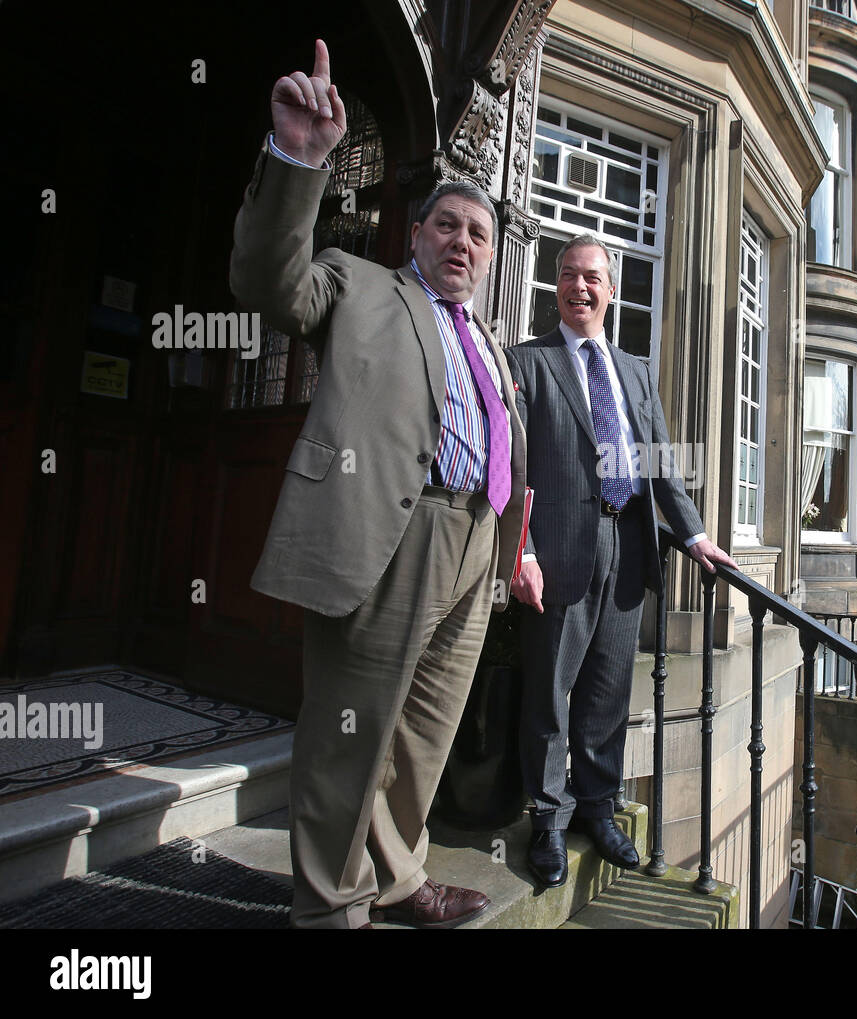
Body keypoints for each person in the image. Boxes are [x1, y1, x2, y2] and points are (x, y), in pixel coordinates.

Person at [230, 41, 526, 929]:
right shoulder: (360, 286)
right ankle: (327, 906)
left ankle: (396, 878)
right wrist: (299, 160)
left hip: (477, 543)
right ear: (416, 234)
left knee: (423, 733)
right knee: (349, 732)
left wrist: (512, 548)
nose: (462, 242)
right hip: (390, 529)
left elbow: (510, 448)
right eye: (447, 226)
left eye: (478, 233)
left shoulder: (492, 343)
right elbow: (268, 283)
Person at [506, 235, 736, 888]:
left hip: (628, 549)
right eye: (571, 276)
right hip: (556, 553)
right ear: (557, 287)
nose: (582, 287)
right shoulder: (527, 361)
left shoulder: (635, 370)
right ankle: (548, 820)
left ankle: (599, 808)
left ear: (612, 290)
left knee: (608, 691)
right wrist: (518, 550)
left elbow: (662, 463)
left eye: (594, 277)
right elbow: (513, 466)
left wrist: (691, 535)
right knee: (549, 693)